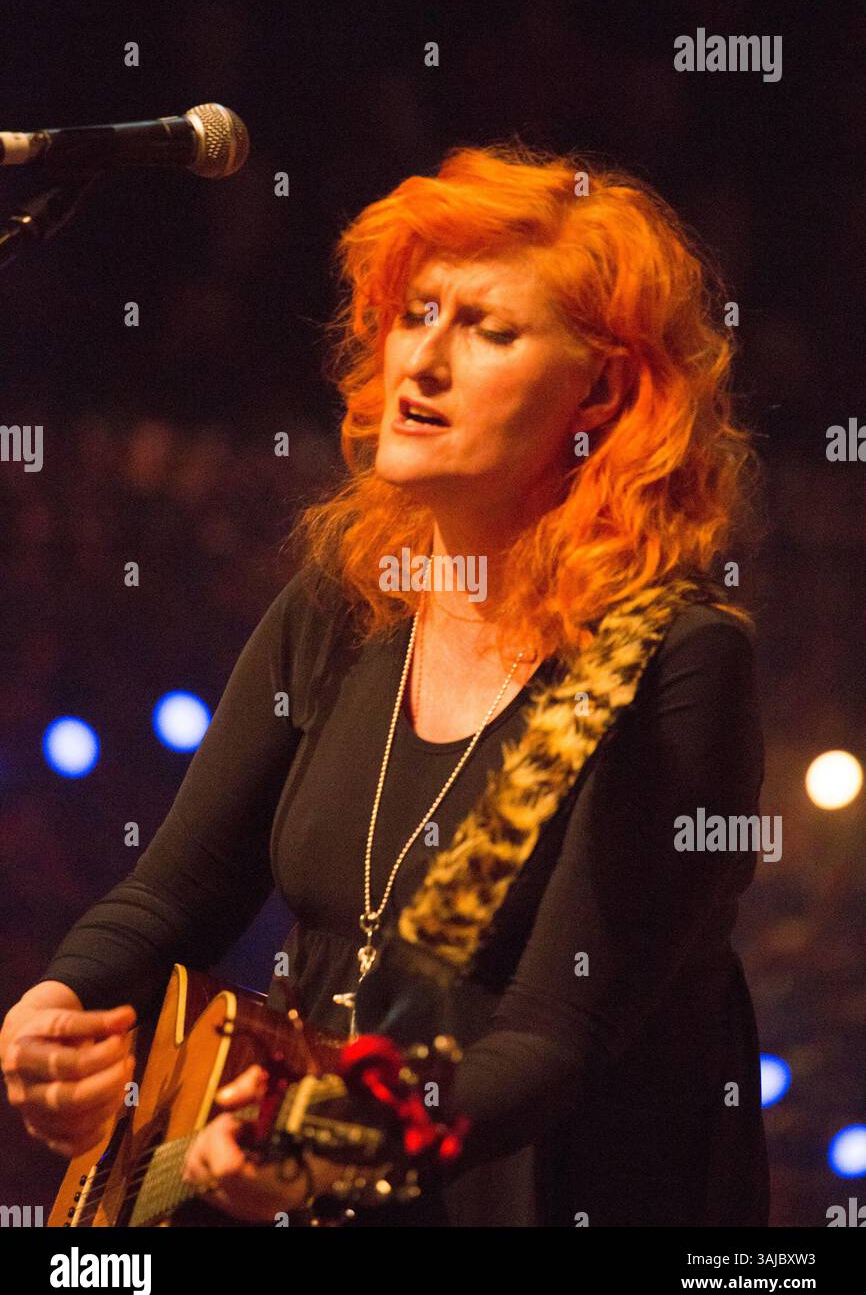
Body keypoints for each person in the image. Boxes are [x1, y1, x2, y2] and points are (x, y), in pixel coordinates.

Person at [1, 142, 769, 1227]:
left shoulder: (673, 660)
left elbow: (552, 1036)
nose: (423, 361)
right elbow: (173, 894)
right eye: (415, 314)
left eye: (488, 330)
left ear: (598, 386)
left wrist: (333, 1144)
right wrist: (59, 1004)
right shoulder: (348, 600)